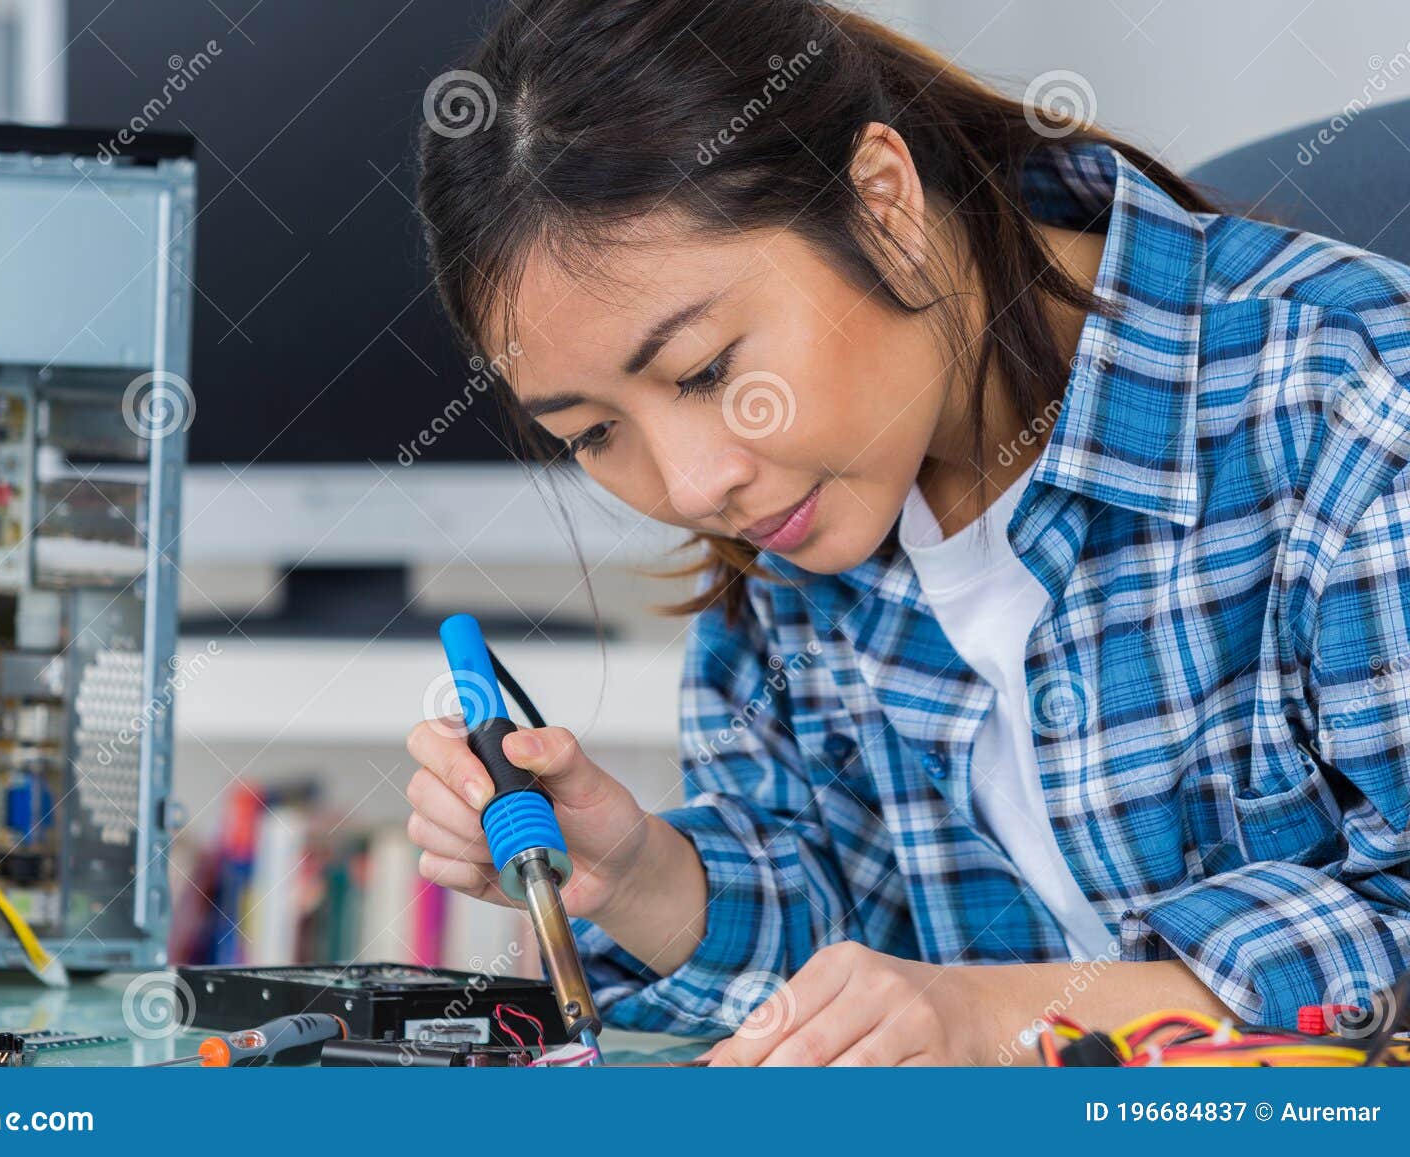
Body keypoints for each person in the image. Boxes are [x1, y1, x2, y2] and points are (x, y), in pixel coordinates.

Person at [405, 0, 1410, 1065]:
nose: (696, 485)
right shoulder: (797, 540)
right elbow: (851, 953)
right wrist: (639, 874)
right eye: (596, 432)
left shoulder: (1352, 405)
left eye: (705, 371)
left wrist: (996, 1018)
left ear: (882, 200)